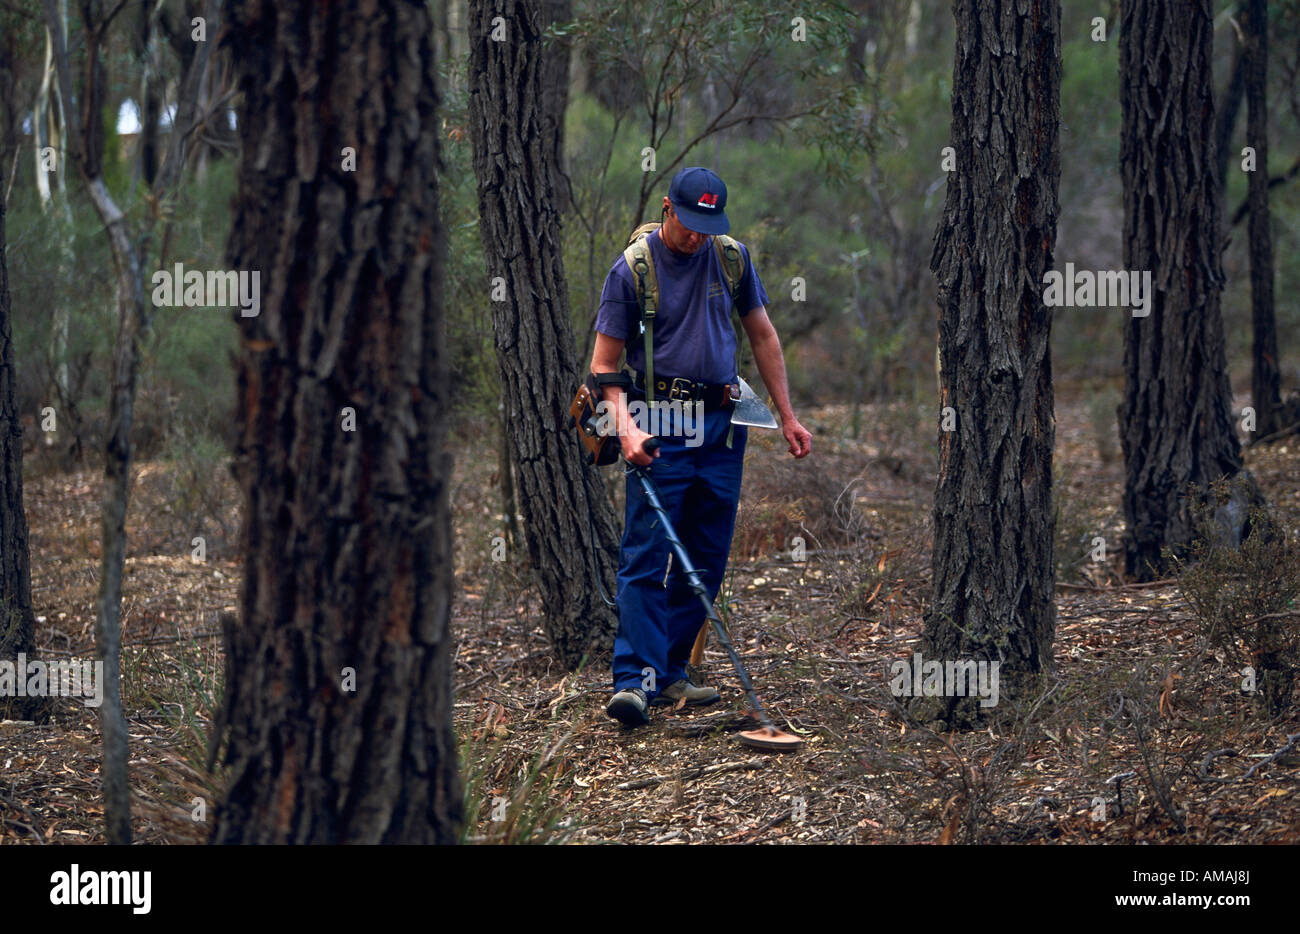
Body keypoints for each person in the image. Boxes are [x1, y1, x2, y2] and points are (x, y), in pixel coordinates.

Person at [589, 166, 812, 727]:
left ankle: (669, 674)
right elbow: (603, 367)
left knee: (706, 555)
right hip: (657, 420)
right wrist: (626, 426)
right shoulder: (632, 270)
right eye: (689, 224)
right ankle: (633, 683)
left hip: (721, 423)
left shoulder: (731, 258)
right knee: (647, 554)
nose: (696, 236)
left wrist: (786, 415)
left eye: (707, 226)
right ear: (668, 208)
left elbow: (761, 333)